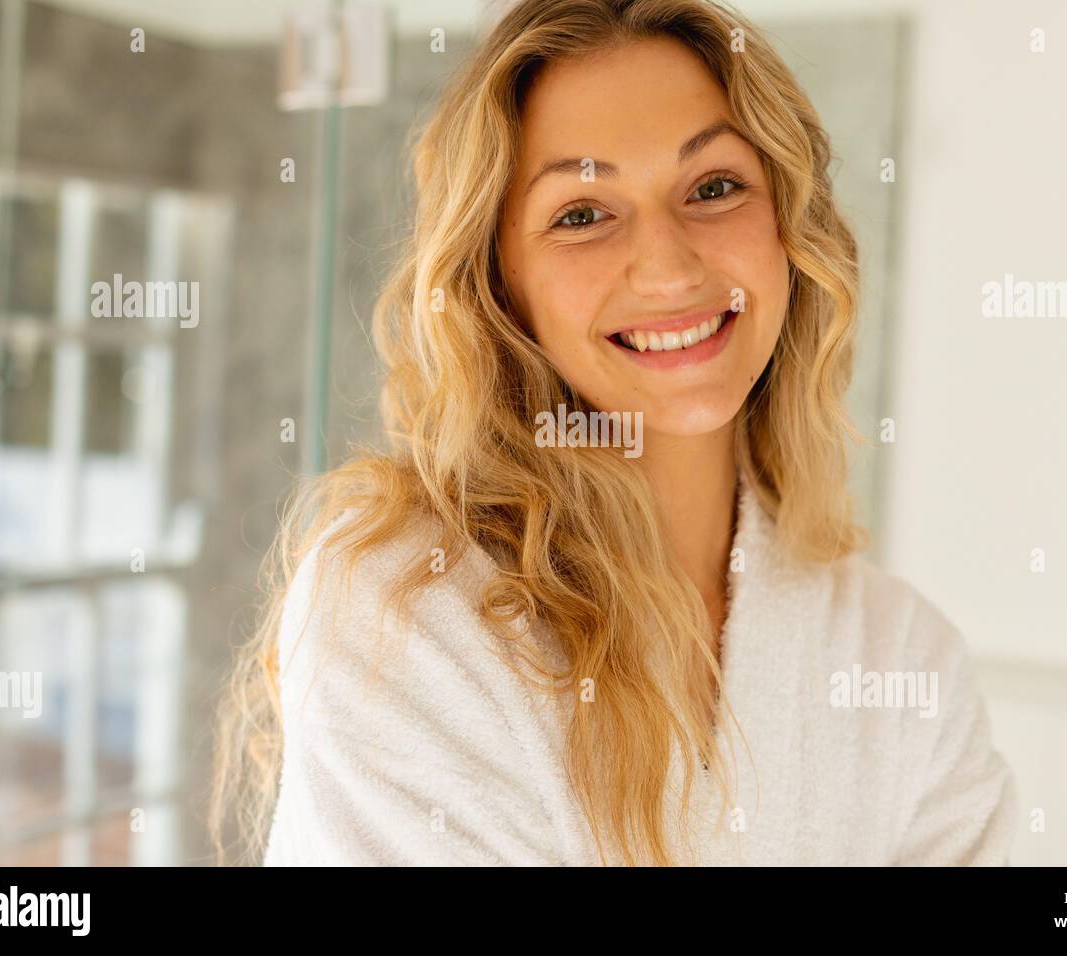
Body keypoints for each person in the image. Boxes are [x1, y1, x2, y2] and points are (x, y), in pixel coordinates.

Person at [211, 0, 1017, 867]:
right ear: (499, 284)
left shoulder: (903, 659)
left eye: (713, 188)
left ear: (790, 227)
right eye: (583, 214)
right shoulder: (402, 606)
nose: (668, 269)